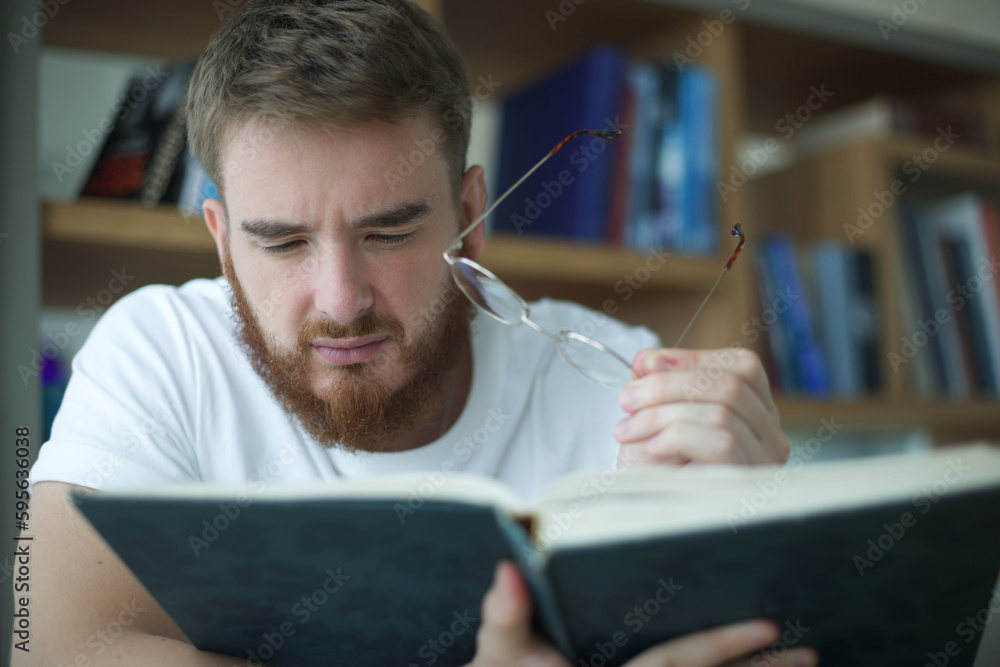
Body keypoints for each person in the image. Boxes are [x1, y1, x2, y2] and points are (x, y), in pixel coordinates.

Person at [21, 1, 814, 666]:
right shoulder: (157, 350)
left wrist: (769, 526)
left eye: (389, 233)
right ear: (222, 241)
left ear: (470, 218)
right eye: (283, 242)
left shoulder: (630, 387)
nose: (339, 300)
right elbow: (47, 646)